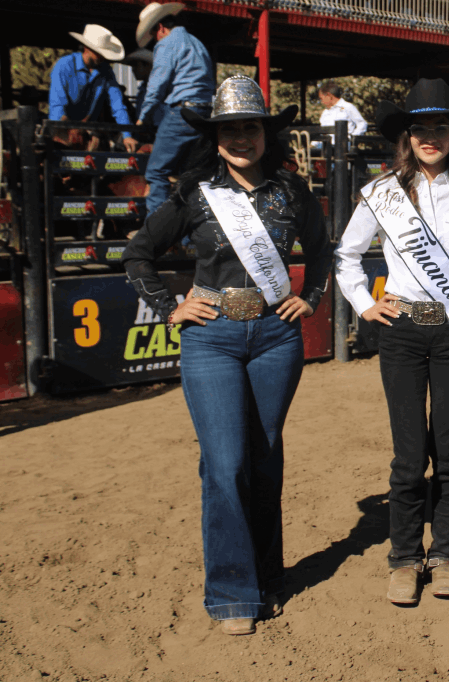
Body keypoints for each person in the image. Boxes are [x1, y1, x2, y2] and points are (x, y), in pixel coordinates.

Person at [122, 75, 331, 636]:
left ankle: (268, 575)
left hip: (273, 336)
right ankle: (232, 591)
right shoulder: (193, 194)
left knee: (263, 458)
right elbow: (137, 257)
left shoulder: (291, 192)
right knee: (224, 462)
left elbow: (322, 250)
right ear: (215, 138)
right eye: (230, 129)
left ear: (266, 133)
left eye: (251, 127)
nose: (241, 137)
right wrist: (171, 306)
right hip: (210, 337)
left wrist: (308, 299)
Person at [335, 78, 449, 605]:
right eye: (420, 127)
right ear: (407, 135)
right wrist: (364, 304)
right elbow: (345, 256)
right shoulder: (382, 193)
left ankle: (446, 554)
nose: (431, 136)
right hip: (401, 333)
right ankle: (404, 559)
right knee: (408, 457)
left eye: (440, 126)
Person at [134, 1, 217, 216]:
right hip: (204, 114)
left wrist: (143, 117)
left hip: (181, 113)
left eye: (154, 34)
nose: (155, 40)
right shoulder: (197, 43)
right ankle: (190, 236)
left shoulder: (167, 43)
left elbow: (157, 84)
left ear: (160, 28)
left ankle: (158, 234)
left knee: (156, 172)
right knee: (190, 175)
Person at [48, 24, 138, 152]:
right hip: (62, 130)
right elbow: (57, 105)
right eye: (99, 52)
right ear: (87, 48)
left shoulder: (106, 71)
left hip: (87, 130)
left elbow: (118, 106)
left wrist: (127, 135)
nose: (103, 57)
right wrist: (66, 129)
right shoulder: (64, 65)